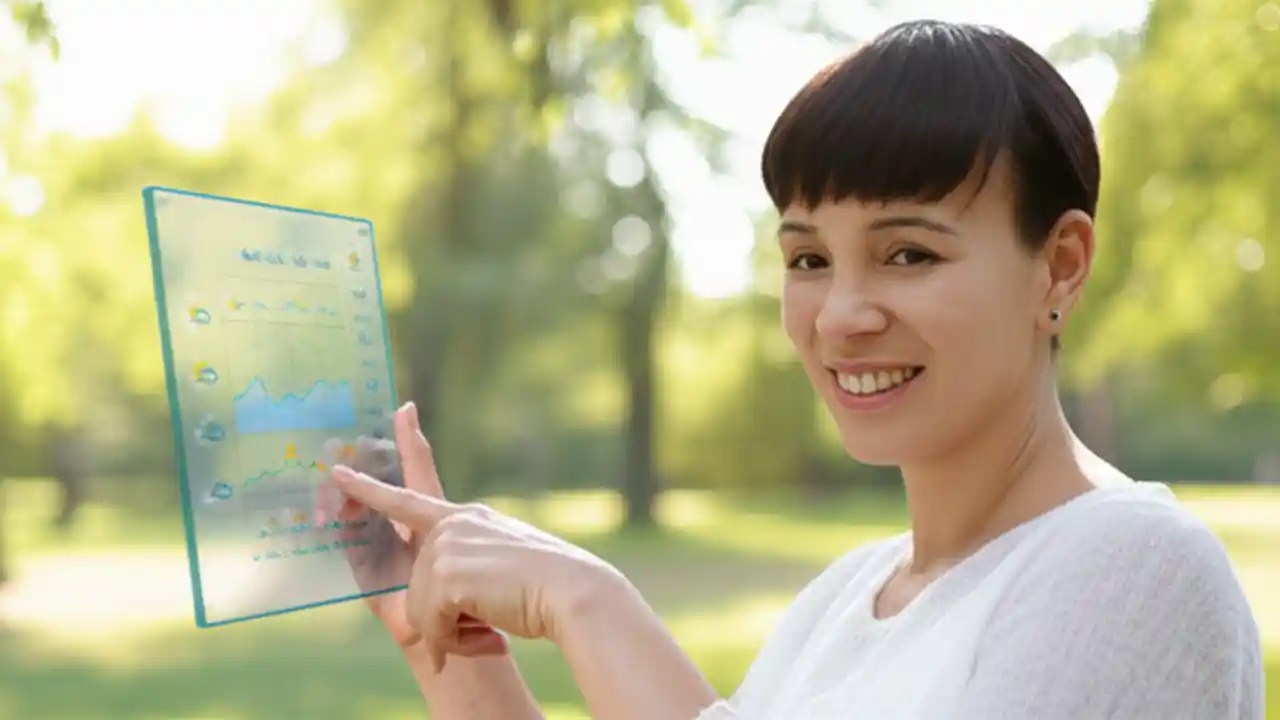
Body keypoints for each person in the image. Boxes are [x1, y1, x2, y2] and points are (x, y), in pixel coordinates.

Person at [329, 19, 1264, 720]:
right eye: (809, 259)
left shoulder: (1137, 565)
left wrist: (588, 600)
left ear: (1059, 264)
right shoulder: (843, 604)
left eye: (909, 254)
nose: (844, 316)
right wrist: (449, 652)